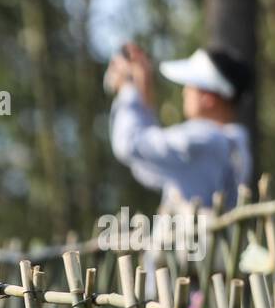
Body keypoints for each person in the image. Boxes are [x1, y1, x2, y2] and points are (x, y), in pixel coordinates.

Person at [107, 43, 253, 211]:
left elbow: (130, 143)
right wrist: (144, 99)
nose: (185, 91)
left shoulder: (203, 140)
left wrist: (129, 88)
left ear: (208, 98)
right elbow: (148, 169)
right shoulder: (228, 144)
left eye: (191, 86)